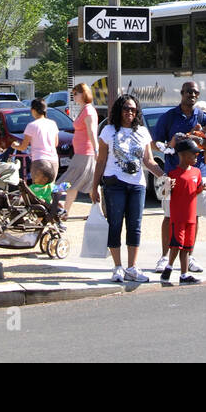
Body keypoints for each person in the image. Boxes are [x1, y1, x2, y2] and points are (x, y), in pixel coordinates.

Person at [90, 94, 164, 283]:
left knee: (135, 226)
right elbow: (101, 161)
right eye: (126, 108)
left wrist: (164, 176)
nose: (129, 112)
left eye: (133, 109)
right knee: (115, 224)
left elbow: (148, 160)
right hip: (114, 183)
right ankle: (117, 267)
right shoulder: (108, 131)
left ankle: (132, 267)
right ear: (119, 110)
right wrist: (94, 186)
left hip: (137, 184)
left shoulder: (142, 132)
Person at [152, 83, 206, 273]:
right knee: (168, 216)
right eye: (188, 92)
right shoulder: (169, 117)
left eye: (195, 93)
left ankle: (188, 256)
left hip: (198, 173)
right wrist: (170, 144)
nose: (192, 95)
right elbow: (154, 143)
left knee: (194, 216)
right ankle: (164, 257)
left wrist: (201, 141)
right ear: (181, 93)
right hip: (171, 173)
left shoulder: (202, 116)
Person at [161, 138, 204, 285]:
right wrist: (168, 186)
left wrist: (201, 189)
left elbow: (195, 191)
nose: (196, 157)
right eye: (194, 154)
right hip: (178, 217)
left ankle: (184, 274)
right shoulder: (173, 174)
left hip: (191, 216)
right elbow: (164, 194)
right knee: (176, 245)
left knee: (187, 246)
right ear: (183, 155)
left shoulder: (196, 172)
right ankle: (169, 266)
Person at [62, 83, 99, 217]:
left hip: (85, 152)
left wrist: (96, 150)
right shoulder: (84, 110)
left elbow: (92, 132)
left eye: (76, 94)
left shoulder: (88, 111)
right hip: (82, 152)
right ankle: (98, 211)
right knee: (89, 185)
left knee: (72, 182)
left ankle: (65, 211)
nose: (74, 96)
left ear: (83, 94)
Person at [17, 98, 59, 187]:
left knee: (38, 190)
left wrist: (15, 146)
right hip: (53, 160)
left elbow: (23, 147)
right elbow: (56, 143)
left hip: (39, 161)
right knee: (50, 189)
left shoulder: (31, 125)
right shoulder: (53, 123)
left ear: (33, 110)